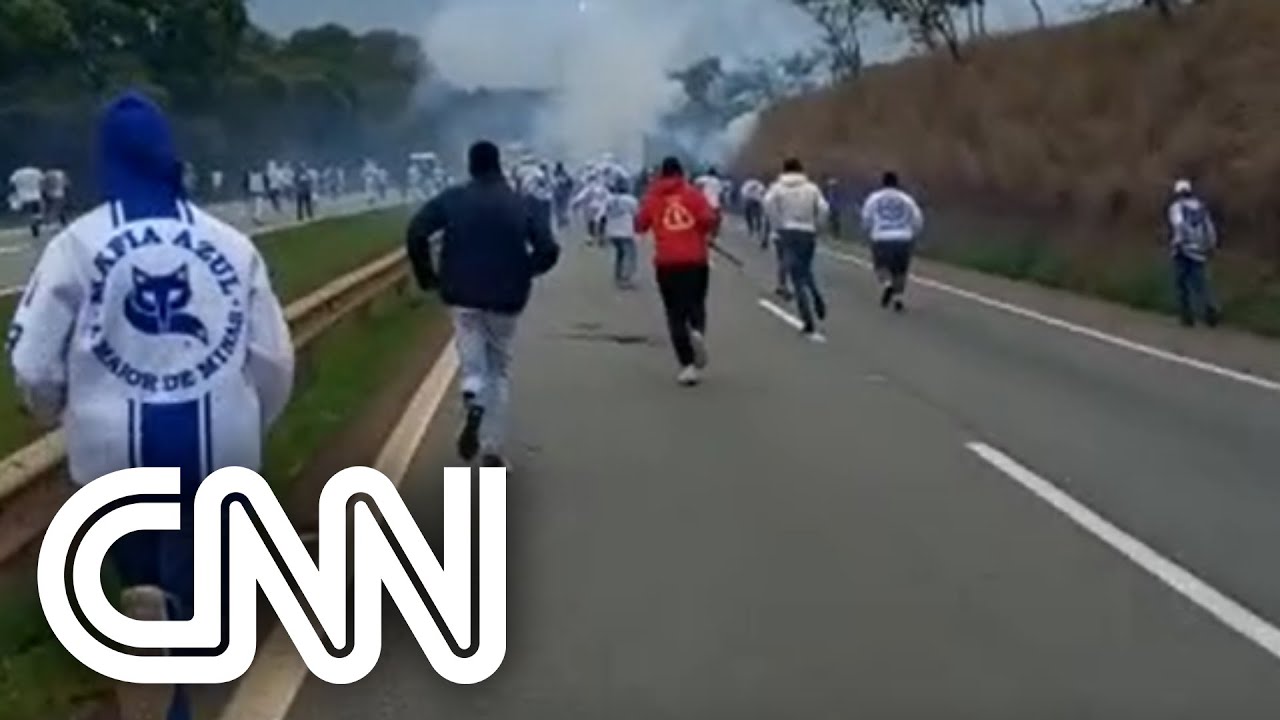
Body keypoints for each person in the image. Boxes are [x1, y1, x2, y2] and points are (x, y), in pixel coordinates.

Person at [7, 91, 294, 720]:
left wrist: (55, 410)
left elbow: (31, 362)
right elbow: (274, 359)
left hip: (114, 452)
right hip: (219, 443)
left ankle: (165, 685)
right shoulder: (232, 244)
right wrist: (248, 421)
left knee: (143, 588)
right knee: (196, 575)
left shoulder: (75, 247)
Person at [405, 141, 559, 469]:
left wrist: (427, 277)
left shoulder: (453, 199)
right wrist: (525, 269)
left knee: (473, 364)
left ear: (471, 166)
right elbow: (548, 248)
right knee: (499, 370)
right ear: (499, 164)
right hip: (506, 299)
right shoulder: (521, 203)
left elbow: (416, 231)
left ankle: (472, 394)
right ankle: (492, 448)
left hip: (462, 295)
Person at [636, 157, 718, 386]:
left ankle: (687, 365)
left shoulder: (652, 197)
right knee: (696, 303)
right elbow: (708, 220)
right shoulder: (693, 194)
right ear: (682, 173)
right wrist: (700, 231)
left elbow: (640, 224)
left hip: (667, 262)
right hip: (696, 259)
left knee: (674, 313)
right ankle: (698, 330)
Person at [764, 159, 830, 342]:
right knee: (806, 268)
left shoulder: (777, 188)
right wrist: (817, 226)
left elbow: (768, 205)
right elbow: (824, 209)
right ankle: (816, 294)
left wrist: (777, 226)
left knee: (796, 278)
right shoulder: (812, 188)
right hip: (807, 232)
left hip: (788, 232)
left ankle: (807, 319)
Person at [861, 171, 925, 312]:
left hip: (881, 237)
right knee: (900, 271)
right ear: (897, 183)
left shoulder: (874, 198)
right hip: (903, 238)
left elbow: (866, 217)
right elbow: (917, 218)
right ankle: (898, 299)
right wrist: (914, 233)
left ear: (883, 183)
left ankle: (887, 284)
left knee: (881, 267)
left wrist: (868, 231)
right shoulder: (906, 199)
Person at [1167, 178, 1220, 328]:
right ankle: (1210, 309)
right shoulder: (1201, 207)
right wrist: (1211, 245)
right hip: (1200, 250)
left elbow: (1179, 225)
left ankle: (1187, 316)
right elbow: (1209, 228)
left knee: (1182, 284)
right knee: (1201, 283)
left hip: (1183, 249)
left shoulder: (1176, 207)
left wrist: (1179, 242)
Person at [603, 178, 641, 289]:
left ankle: (618, 275)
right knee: (629, 255)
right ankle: (625, 279)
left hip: (612, 231)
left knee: (620, 254)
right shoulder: (631, 200)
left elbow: (604, 214)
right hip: (626, 231)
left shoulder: (609, 199)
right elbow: (637, 214)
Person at [9, 165, 45, 239]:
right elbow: (42, 182)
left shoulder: (17, 173)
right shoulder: (36, 171)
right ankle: (35, 225)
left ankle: (23, 225)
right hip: (35, 195)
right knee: (37, 213)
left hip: (22, 196)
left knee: (24, 212)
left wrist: (14, 194)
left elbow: (11, 184)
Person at [694, 166, 725, 239]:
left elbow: (695, 183)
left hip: (704, 202)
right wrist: (722, 203)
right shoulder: (717, 181)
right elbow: (721, 194)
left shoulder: (702, 179)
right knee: (718, 218)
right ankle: (715, 232)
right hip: (715, 203)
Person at [740, 177, 767, 247]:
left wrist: (745, 198)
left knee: (748, 215)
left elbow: (743, 192)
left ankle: (751, 229)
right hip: (757, 201)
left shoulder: (747, 183)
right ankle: (757, 230)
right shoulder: (759, 184)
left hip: (750, 201)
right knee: (757, 216)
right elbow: (763, 192)